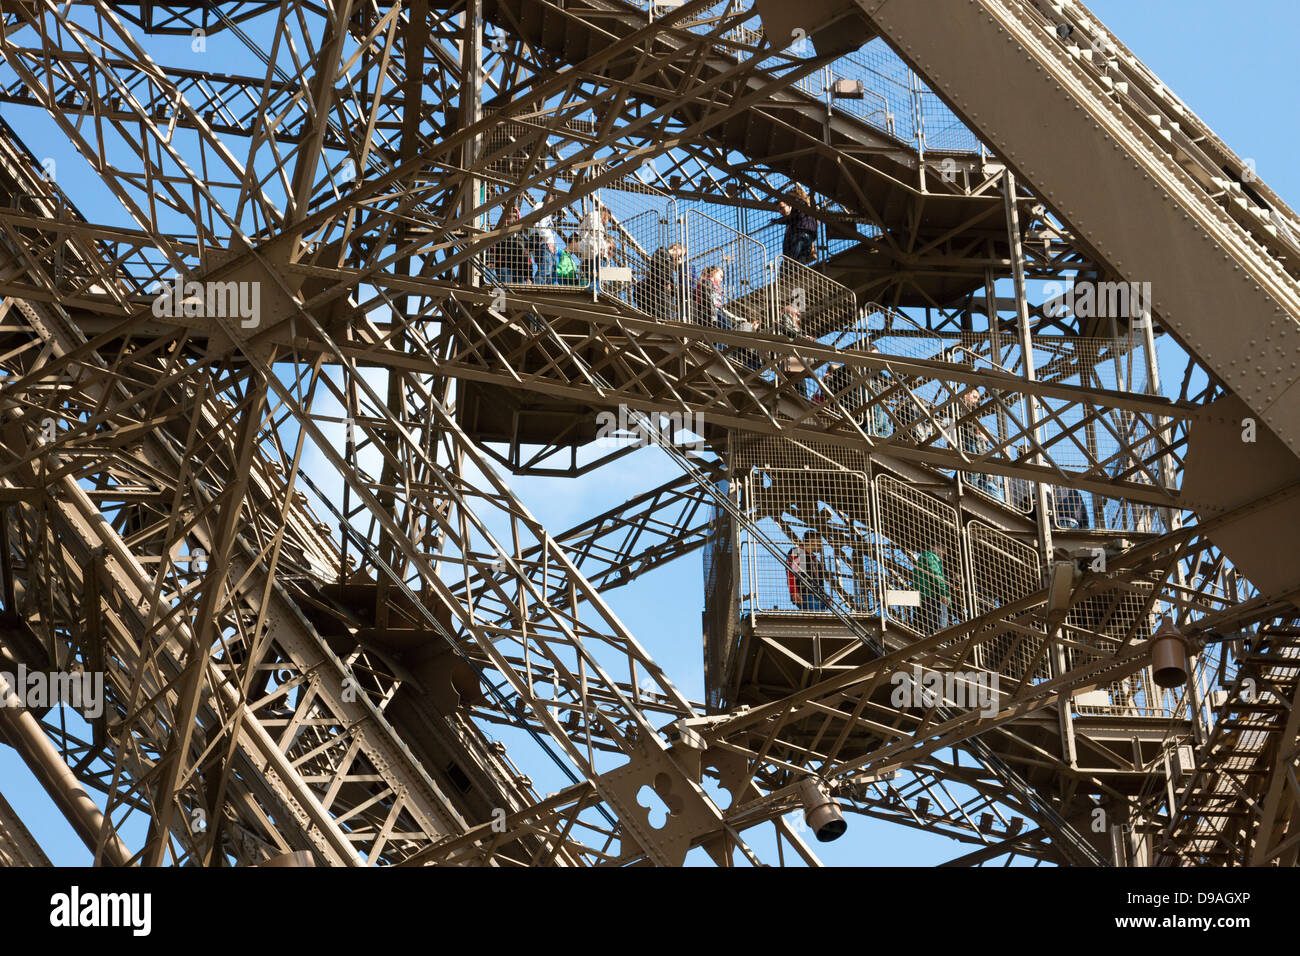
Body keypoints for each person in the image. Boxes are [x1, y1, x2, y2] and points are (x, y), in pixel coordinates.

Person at [958, 388, 997, 497]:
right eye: (974, 397)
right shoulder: (960, 406)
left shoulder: (970, 411)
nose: (976, 401)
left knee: (986, 478)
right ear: (966, 395)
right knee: (975, 472)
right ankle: (972, 493)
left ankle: (995, 501)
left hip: (974, 442)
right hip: (968, 441)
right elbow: (959, 422)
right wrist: (979, 429)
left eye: (977, 399)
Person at [771, 186, 818, 270]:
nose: (780, 212)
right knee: (800, 259)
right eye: (779, 210)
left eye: (781, 208)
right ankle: (797, 273)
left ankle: (787, 276)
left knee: (792, 260)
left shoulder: (798, 203)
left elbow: (792, 217)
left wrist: (778, 221)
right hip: (807, 236)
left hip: (800, 234)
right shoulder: (806, 209)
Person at [637, 242, 686, 321]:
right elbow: (660, 269)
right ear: (675, 247)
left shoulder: (669, 260)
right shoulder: (663, 252)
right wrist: (667, 282)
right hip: (659, 290)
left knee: (665, 313)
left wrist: (677, 263)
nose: (680, 258)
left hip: (661, 291)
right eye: (680, 255)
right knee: (663, 314)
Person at [911, 542, 950, 634]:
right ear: (938, 548)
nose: (943, 556)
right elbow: (936, 575)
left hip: (922, 597)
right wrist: (944, 593)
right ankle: (941, 644)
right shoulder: (931, 557)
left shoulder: (921, 559)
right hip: (933, 596)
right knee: (940, 628)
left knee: (929, 625)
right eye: (943, 552)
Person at [487, 204, 531, 284]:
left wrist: (528, 276)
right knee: (506, 291)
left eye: (514, 216)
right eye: (509, 216)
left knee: (517, 294)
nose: (512, 219)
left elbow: (527, 257)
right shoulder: (500, 233)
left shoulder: (522, 237)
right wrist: (491, 261)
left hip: (519, 271)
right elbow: (492, 247)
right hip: (504, 267)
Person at [786, 529, 829, 611]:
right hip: (807, 594)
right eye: (819, 542)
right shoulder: (799, 553)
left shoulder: (814, 560)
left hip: (819, 597)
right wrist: (794, 592)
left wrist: (824, 597)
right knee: (815, 620)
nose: (821, 545)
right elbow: (791, 573)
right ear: (812, 541)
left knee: (820, 621)